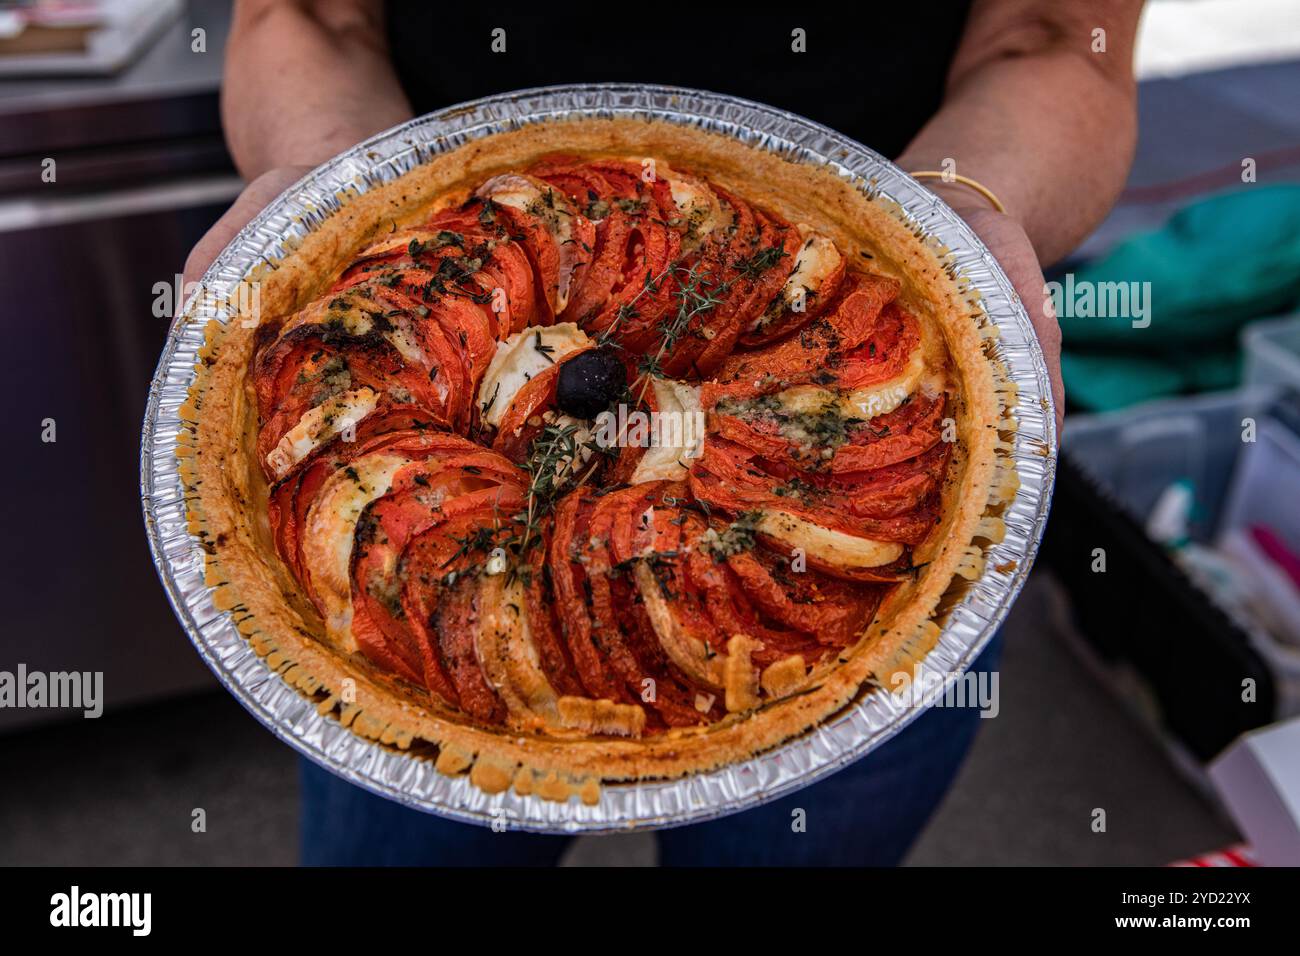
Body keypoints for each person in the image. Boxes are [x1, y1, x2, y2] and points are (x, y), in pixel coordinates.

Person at [186, 0, 1144, 865]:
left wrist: (953, 218)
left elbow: (1055, 37)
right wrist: (338, 183)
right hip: (450, 315)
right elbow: (306, 16)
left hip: (851, 329)